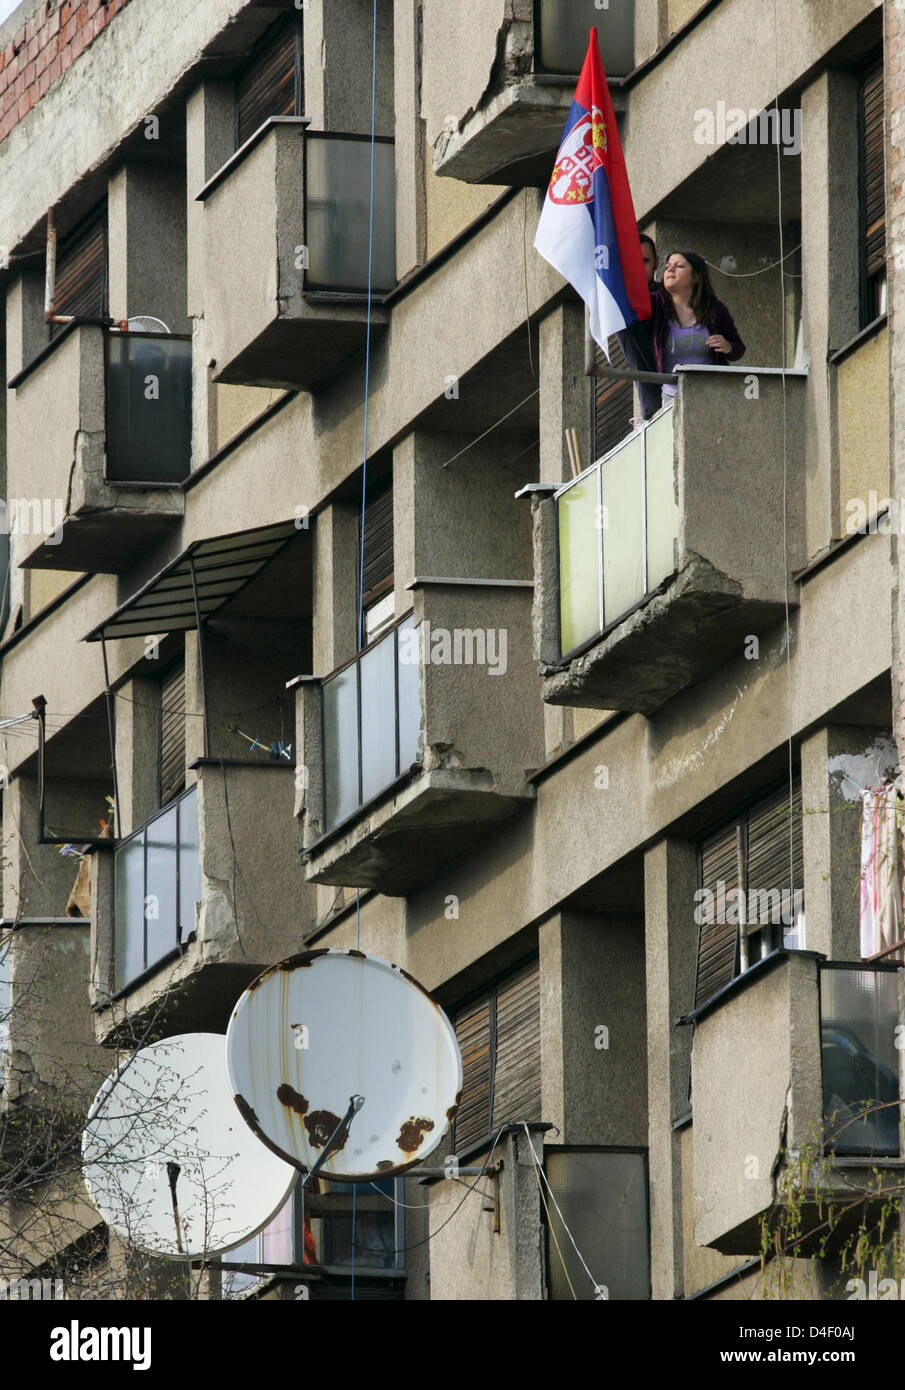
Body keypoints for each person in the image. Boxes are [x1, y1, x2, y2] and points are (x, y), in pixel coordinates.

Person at [646, 248, 745, 415]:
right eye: (667, 266)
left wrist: (727, 346)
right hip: (670, 396)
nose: (670, 269)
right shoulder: (654, 304)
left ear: (696, 277)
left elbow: (738, 350)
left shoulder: (714, 308)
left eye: (679, 266)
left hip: (711, 395)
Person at [615, 231, 662, 422]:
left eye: (645, 261)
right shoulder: (620, 305)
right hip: (655, 405)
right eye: (632, 261)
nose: (638, 268)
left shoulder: (669, 296)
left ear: (656, 263)